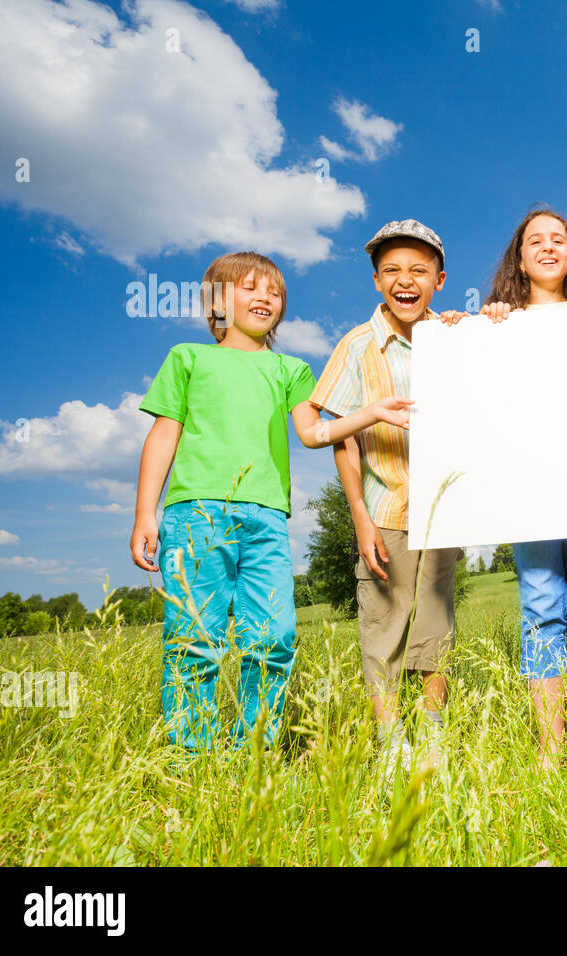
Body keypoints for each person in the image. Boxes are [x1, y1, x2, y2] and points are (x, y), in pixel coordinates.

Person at [131, 251, 411, 752]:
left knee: (274, 636)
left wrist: (370, 413)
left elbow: (314, 432)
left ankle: (252, 751)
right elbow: (163, 435)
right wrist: (144, 514)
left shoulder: (292, 370)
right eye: (250, 288)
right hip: (195, 515)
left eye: (275, 292)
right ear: (218, 299)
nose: (265, 298)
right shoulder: (188, 359)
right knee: (196, 639)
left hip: (266, 521)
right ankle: (191, 756)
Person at [441, 208, 567, 768]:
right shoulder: (498, 325)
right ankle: (550, 750)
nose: (546, 248)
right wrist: (467, 330)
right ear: (519, 257)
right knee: (541, 608)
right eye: (534, 241)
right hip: (528, 487)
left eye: (557, 239)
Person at [309, 220, 463, 778]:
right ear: (377, 281)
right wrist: (360, 518)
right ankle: (392, 744)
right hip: (386, 510)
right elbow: (339, 434)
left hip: (442, 513)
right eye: (393, 270)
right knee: (385, 628)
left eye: (419, 270)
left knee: (434, 627)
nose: (406, 280)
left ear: (439, 280)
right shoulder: (358, 345)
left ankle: (432, 739)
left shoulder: (451, 336)